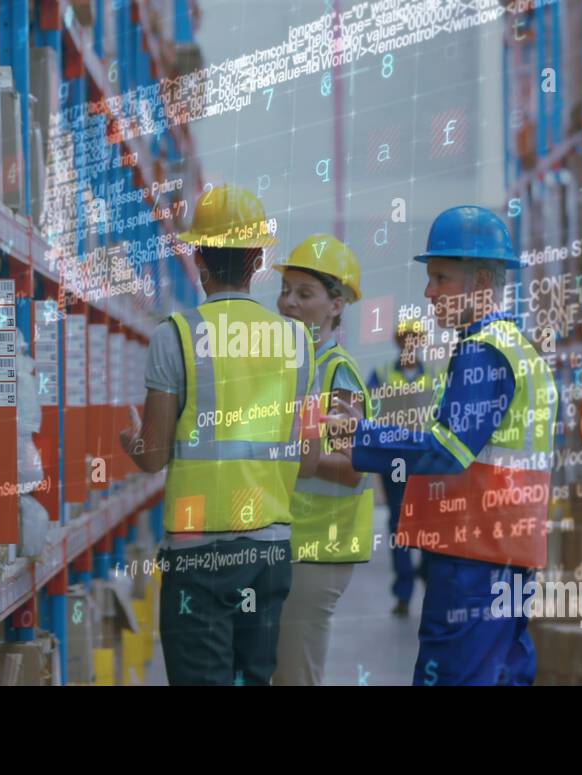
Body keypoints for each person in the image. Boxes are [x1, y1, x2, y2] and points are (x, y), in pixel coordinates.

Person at [328, 205, 558, 686]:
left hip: (474, 554)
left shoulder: (484, 351)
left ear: (479, 281)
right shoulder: (516, 346)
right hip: (508, 551)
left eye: (440, 279)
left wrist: (362, 436)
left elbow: (447, 452)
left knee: (455, 676)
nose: (429, 293)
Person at [119, 184, 319, 686]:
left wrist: (130, 441)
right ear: (257, 262)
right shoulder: (298, 341)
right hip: (269, 552)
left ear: (199, 260)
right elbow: (311, 460)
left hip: (199, 554)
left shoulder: (176, 336)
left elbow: (154, 456)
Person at [271, 233, 374, 686]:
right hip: (289, 542)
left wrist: (292, 458)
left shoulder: (338, 373)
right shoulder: (295, 366)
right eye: (286, 290)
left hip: (318, 550)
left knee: (297, 675)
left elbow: (353, 468)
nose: (288, 302)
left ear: (336, 305)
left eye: (304, 293)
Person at [368, 319, 433, 617]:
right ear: (398, 341)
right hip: (394, 463)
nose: (409, 342)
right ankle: (404, 593)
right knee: (399, 527)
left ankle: (426, 572)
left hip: (427, 463)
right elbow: (369, 416)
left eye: (413, 338)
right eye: (404, 337)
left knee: (430, 527)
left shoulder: (434, 376)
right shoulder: (380, 376)